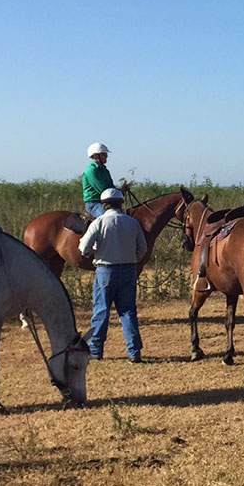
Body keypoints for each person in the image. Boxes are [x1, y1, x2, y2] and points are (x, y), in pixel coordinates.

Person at [78, 188, 148, 362]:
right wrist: (132, 259)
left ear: (104, 204)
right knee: (128, 311)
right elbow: (143, 249)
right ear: (121, 203)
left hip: (105, 271)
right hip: (128, 270)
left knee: (101, 311)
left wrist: (94, 252)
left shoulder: (99, 222)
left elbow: (83, 248)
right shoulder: (132, 223)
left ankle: (96, 351)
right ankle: (134, 352)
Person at [82, 142, 116, 219]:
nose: (106, 156)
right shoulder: (91, 170)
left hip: (105, 202)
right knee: (108, 218)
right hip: (94, 204)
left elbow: (111, 187)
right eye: (104, 154)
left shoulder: (105, 170)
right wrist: (117, 192)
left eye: (106, 154)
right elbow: (103, 190)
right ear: (96, 156)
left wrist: (120, 190)